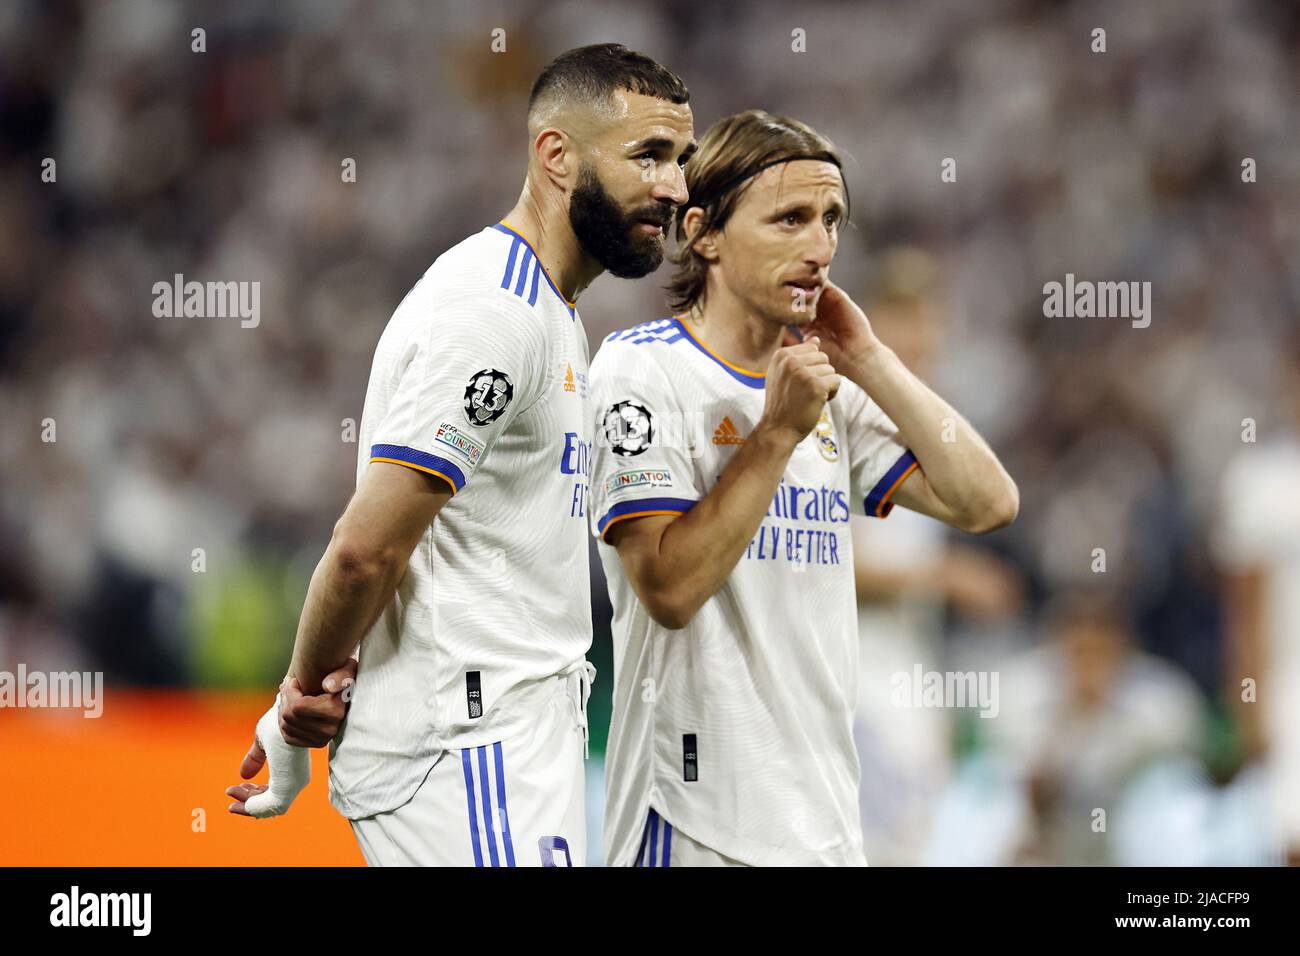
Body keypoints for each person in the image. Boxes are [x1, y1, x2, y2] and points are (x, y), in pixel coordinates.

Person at [224, 43, 695, 867]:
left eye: (681, 160)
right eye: (649, 156)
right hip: (470, 748)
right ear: (556, 155)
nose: (676, 187)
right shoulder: (497, 312)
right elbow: (367, 547)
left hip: (503, 743)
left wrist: (298, 700)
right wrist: (299, 695)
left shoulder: (550, 310)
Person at [589, 110, 1017, 866]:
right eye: (790, 218)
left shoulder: (828, 387)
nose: (820, 248)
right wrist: (777, 436)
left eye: (831, 220)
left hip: (823, 825)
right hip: (693, 821)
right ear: (703, 232)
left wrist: (872, 360)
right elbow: (669, 587)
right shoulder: (643, 371)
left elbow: (988, 502)